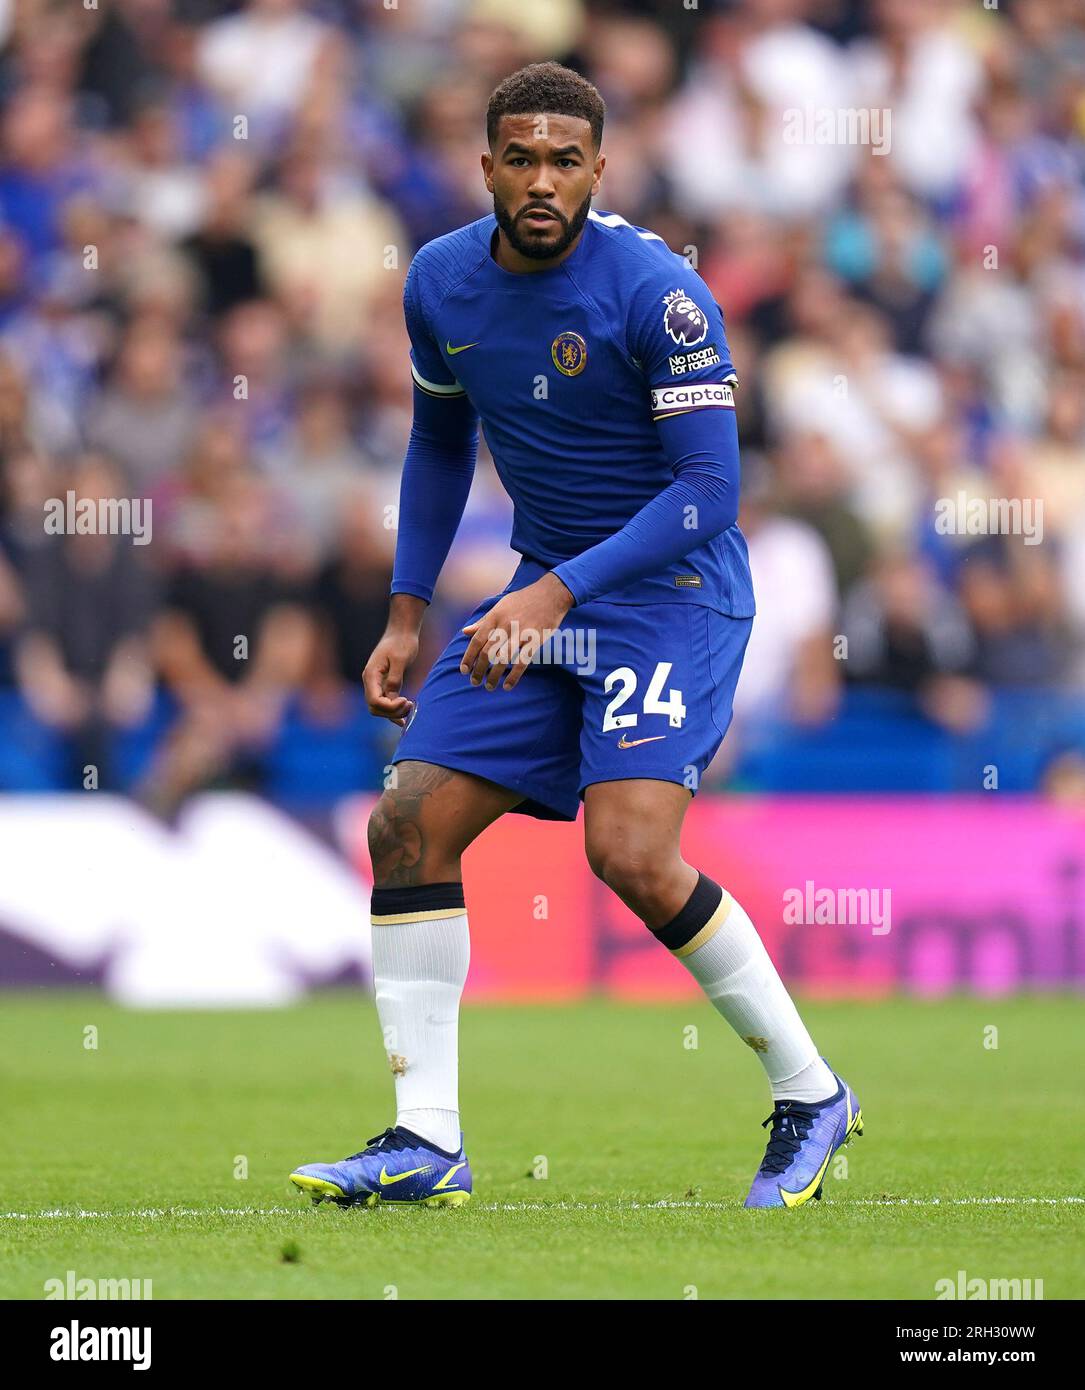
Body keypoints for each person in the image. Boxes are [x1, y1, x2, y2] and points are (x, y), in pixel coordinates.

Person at [290, 63, 861, 1212]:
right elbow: (439, 442)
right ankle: (424, 1138)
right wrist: (407, 610)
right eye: (520, 157)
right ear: (485, 164)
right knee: (405, 821)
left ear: (599, 170)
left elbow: (709, 492)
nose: (541, 179)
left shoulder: (658, 295)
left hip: (668, 595)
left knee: (630, 854)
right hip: (541, 595)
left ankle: (811, 1093)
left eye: (565, 160)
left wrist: (550, 596)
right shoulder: (440, 283)